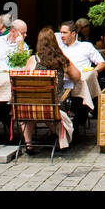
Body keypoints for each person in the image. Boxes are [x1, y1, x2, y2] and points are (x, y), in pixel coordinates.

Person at [19, 27, 79, 155]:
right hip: (54, 106)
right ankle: (59, 140)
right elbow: (77, 76)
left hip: (32, 107)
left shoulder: (33, 60)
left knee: (31, 109)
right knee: (51, 107)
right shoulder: (61, 60)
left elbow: (25, 79)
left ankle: (29, 144)